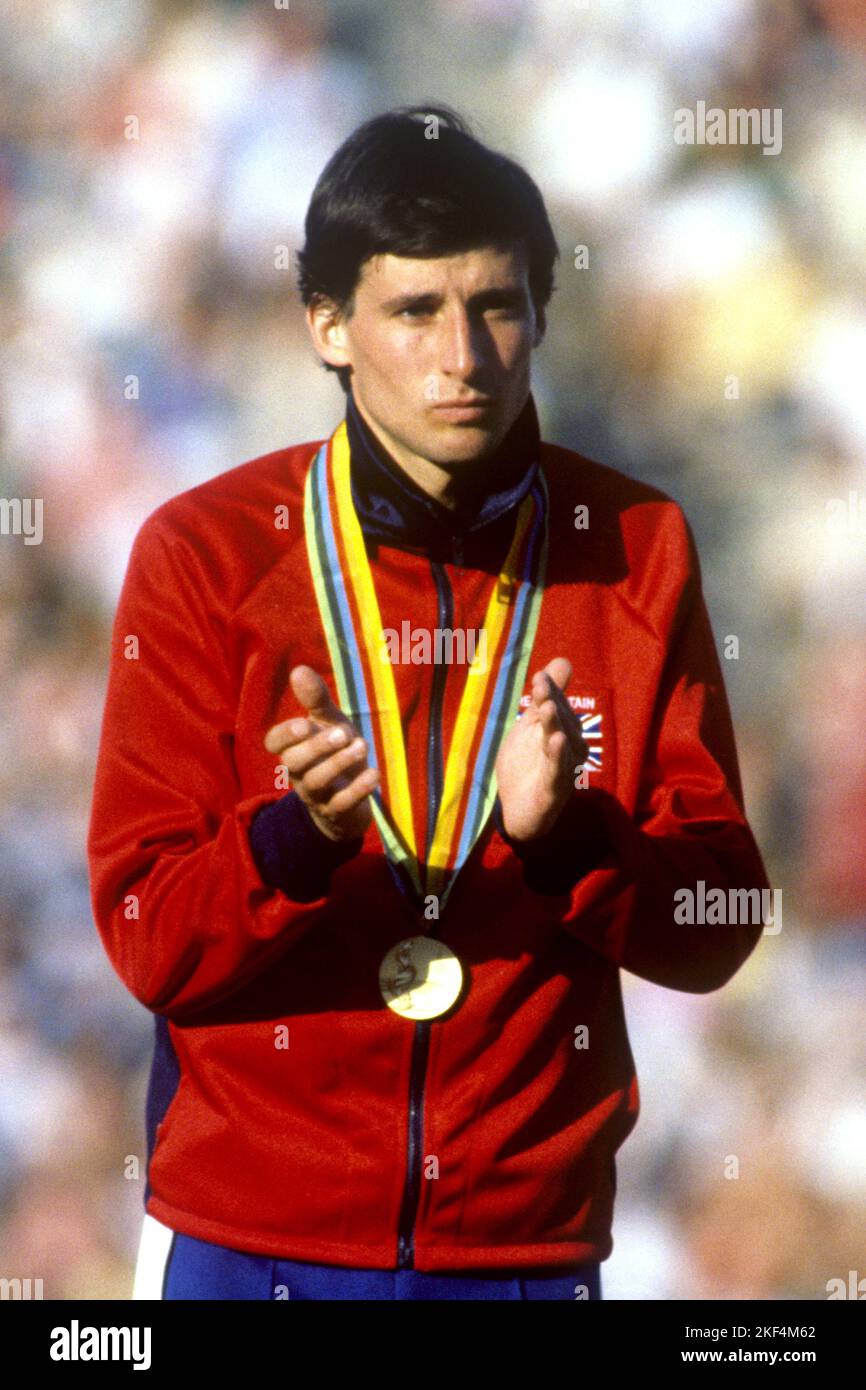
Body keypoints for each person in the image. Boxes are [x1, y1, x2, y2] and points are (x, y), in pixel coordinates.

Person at [87, 104, 771, 1301]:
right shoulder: (203, 553)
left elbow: (716, 926)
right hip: (247, 1246)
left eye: (496, 306)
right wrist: (293, 841)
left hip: (522, 1251)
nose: (463, 356)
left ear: (541, 315)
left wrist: (570, 843)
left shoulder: (634, 543)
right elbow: (148, 938)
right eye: (413, 311)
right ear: (328, 327)